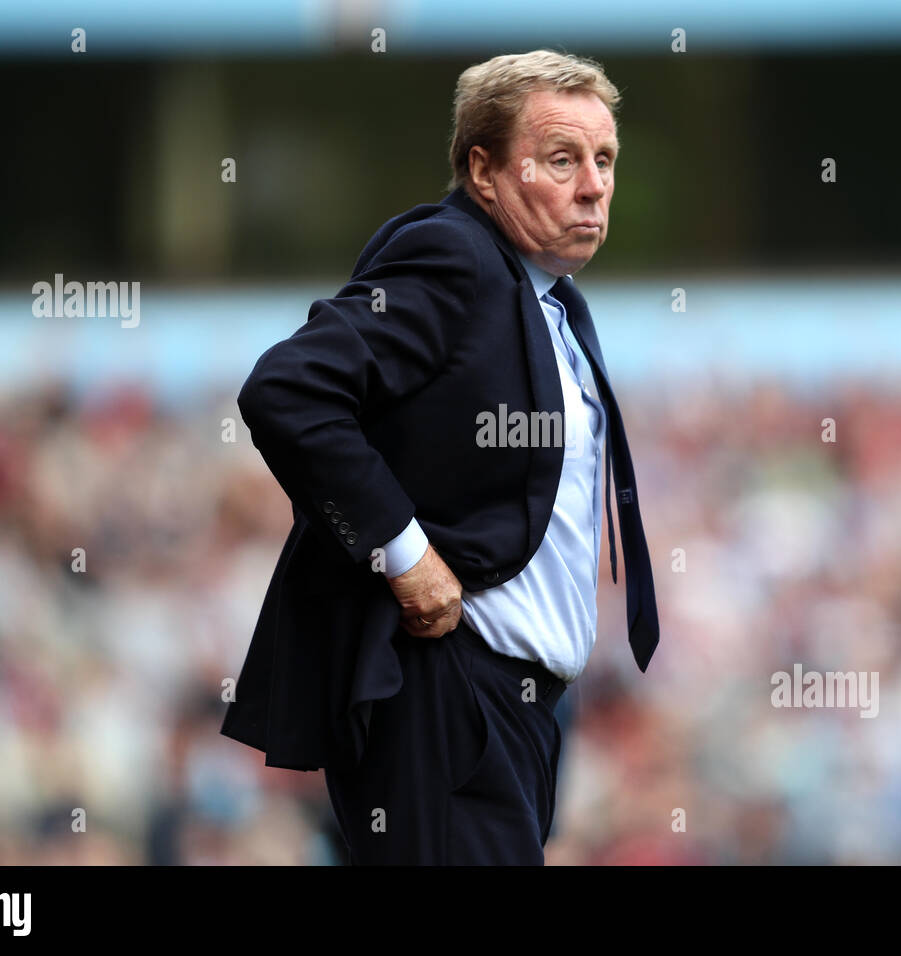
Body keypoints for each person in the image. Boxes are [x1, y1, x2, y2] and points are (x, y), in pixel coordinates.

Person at [220, 49, 659, 865]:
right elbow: (288, 390)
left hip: (514, 708)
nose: (594, 184)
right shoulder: (455, 254)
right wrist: (406, 554)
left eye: (604, 160)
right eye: (561, 159)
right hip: (448, 690)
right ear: (483, 169)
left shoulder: (550, 298)